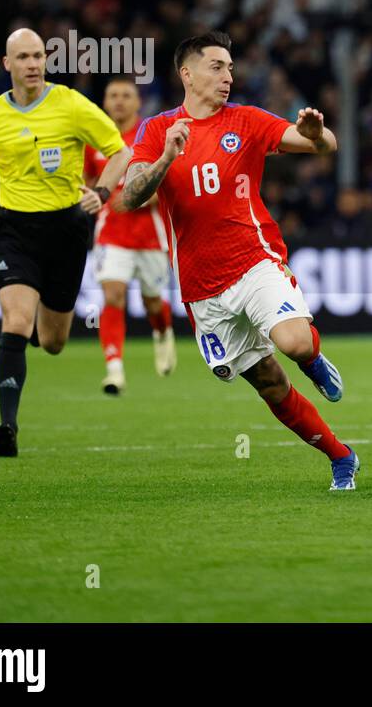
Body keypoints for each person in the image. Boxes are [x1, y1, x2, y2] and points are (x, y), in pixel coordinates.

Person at [119, 31, 359, 490]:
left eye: (230, 67)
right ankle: (341, 456)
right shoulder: (157, 131)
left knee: (294, 343)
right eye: (217, 67)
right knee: (269, 383)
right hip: (201, 286)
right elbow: (130, 195)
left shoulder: (246, 120)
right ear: (186, 74)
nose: (228, 76)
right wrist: (168, 155)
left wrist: (315, 134)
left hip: (254, 261)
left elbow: (324, 144)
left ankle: (314, 360)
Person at [0, 28, 132, 456]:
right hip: (16, 231)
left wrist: (103, 192)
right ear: (7, 64)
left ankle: (36, 323)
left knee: (52, 342)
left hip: (67, 231)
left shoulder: (70, 104)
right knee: (14, 321)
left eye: (39, 56)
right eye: (24, 57)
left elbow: (120, 151)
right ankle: (7, 427)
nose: (33, 64)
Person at [84, 75, 176, 394]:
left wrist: (135, 196)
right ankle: (114, 370)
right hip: (111, 233)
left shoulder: (150, 135)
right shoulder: (94, 139)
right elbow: (87, 179)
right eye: (113, 95)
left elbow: (166, 181)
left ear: (138, 102)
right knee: (113, 297)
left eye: (126, 95)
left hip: (150, 234)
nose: (120, 101)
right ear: (105, 103)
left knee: (153, 303)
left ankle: (163, 332)